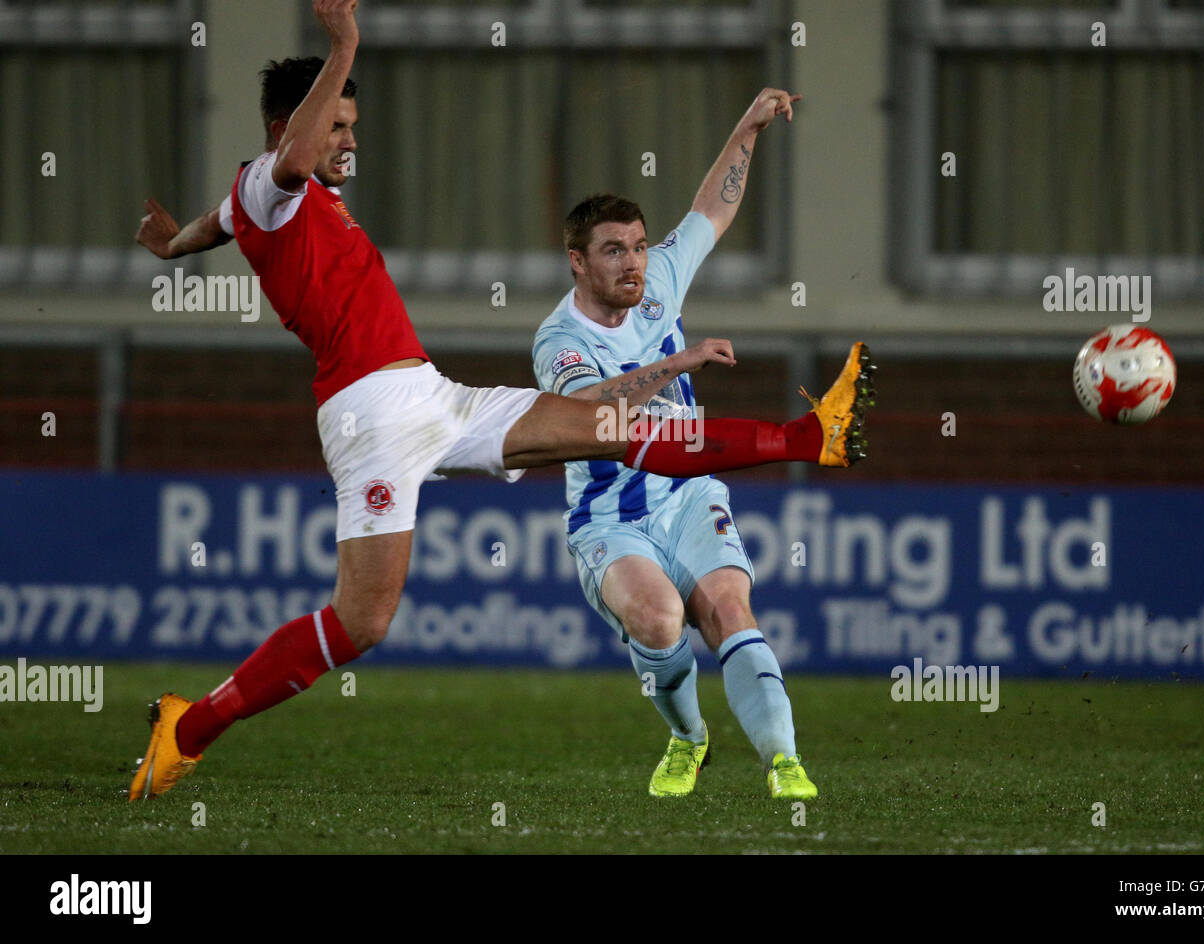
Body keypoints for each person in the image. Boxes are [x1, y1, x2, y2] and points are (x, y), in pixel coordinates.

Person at [128, 0, 873, 801]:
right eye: (337, 125)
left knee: (620, 430)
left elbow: (218, 221)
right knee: (362, 623)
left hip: (429, 393)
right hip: (369, 416)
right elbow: (276, 174)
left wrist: (173, 244)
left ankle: (810, 436)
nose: (349, 140)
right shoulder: (276, 184)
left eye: (351, 124)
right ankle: (190, 725)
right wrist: (344, 40)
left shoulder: (263, 198)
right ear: (287, 129)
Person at [533, 90, 873, 800]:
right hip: (609, 516)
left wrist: (746, 128)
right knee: (658, 618)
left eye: (637, 245)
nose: (633, 263)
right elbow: (583, 408)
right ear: (576, 262)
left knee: (727, 608)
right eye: (613, 251)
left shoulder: (657, 277)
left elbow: (710, 211)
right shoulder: (560, 340)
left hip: (686, 492)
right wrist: (675, 366)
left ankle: (784, 761)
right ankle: (688, 739)